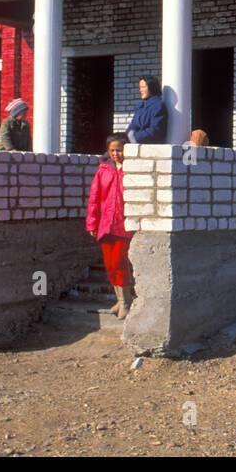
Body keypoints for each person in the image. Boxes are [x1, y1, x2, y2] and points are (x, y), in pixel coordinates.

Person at [85, 133, 136, 317]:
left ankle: (126, 301)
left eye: (119, 150)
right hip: (106, 225)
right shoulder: (103, 170)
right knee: (110, 265)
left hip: (124, 225)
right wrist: (92, 223)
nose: (116, 154)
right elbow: (94, 198)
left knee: (120, 262)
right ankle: (121, 300)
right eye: (112, 150)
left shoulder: (133, 169)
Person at [126, 76, 168, 144]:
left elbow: (155, 130)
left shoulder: (158, 105)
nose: (140, 90)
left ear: (152, 87)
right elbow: (133, 125)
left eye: (143, 87)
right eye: (140, 88)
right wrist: (126, 136)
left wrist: (134, 136)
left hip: (151, 146)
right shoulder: (140, 106)